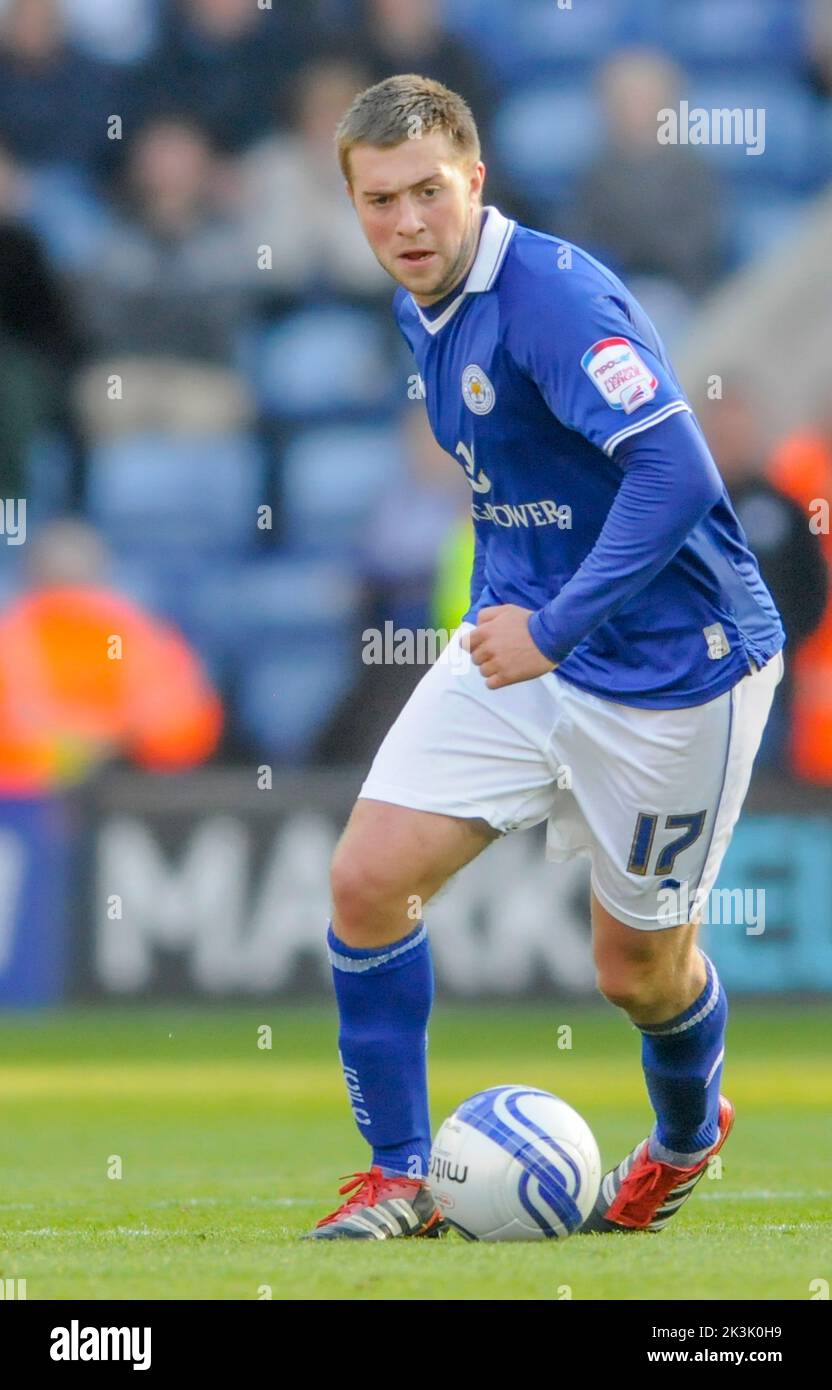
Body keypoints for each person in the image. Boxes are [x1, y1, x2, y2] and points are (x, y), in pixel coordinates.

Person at [304, 75, 785, 1242]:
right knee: (368, 883)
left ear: (476, 180)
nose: (407, 223)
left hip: (678, 668)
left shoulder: (552, 297)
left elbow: (677, 476)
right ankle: (400, 1175)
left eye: (428, 192)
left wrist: (554, 626)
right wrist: (531, 621)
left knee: (637, 972)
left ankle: (683, 1136)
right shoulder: (421, 301)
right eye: (380, 202)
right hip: (521, 647)